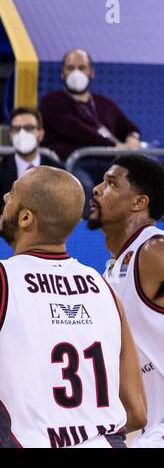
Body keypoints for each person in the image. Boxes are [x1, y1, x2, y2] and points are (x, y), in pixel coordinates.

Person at [0, 166, 146, 448]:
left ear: (26, 217)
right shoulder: (104, 289)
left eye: (13, 194)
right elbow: (138, 412)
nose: (6, 196)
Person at [90, 155, 164, 447]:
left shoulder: (154, 251)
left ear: (138, 202)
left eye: (110, 183)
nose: (96, 189)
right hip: (149, 429)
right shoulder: (111, 269)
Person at [0, 106, 58, 267]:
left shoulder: (57, 171)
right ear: (11, 134)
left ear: (40, 133)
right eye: (17, 129)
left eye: (28, 128)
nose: (22, 134)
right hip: (5, 251)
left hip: (48, 253)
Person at [38, 48, 141, 163]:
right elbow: (75, 129)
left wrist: (132, 138)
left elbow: (129, 127)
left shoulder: (105, 103)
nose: (76, 73)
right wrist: (113, 147)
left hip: (106, 163)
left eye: (82, 68)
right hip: (71, 165)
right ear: (62, 73)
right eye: (70, 68)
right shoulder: (52, 101)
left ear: (92, 72)